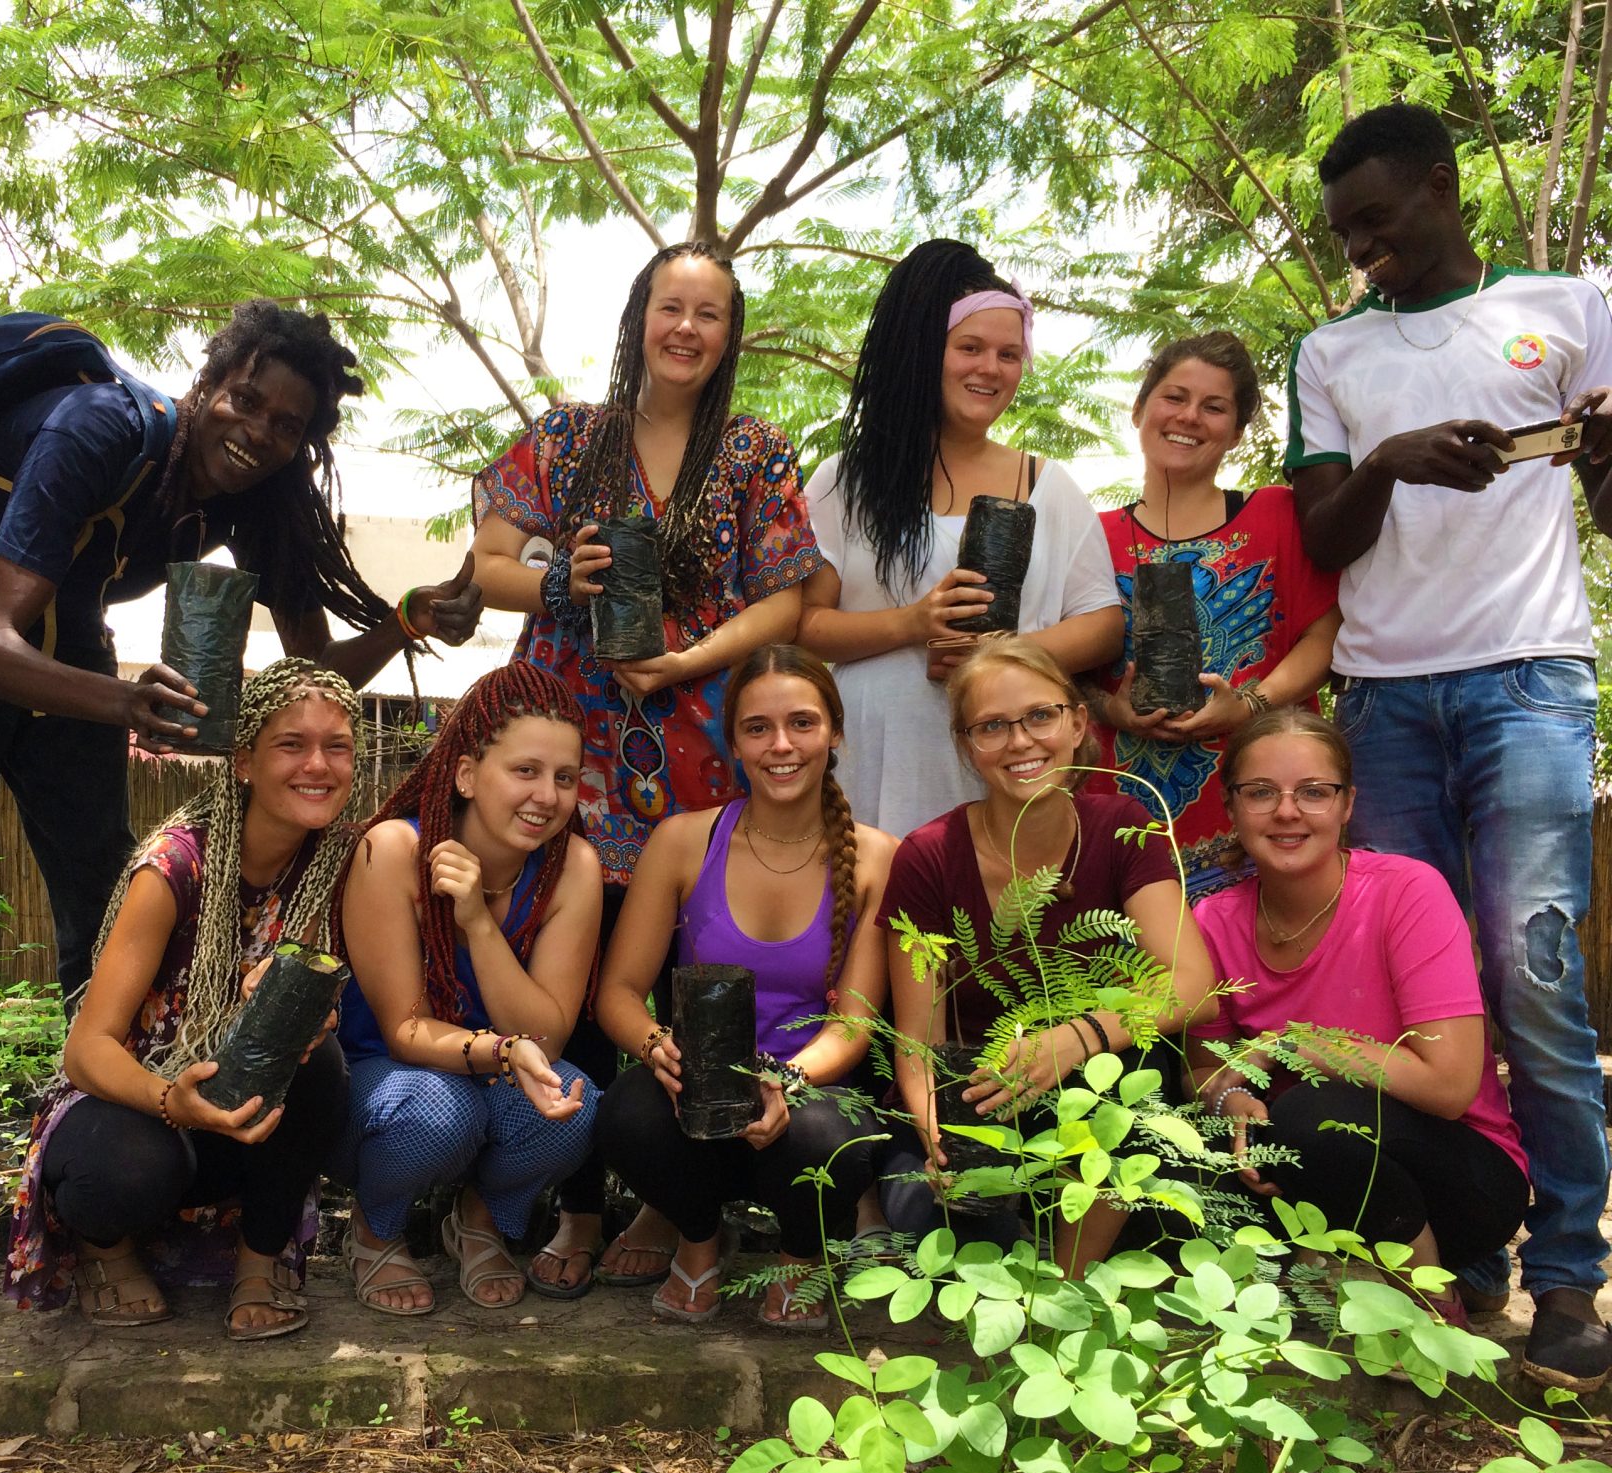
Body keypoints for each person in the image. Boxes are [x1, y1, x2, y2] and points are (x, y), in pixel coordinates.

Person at [0, 303, 484, 1337]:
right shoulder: (103, 429)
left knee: (97, 920)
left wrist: (405, 621)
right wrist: (123, 703)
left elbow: (305, 680)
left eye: (288, 425)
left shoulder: (256, 496)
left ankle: (129, 1185)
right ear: (207, 383)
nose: (258, 433)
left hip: (60, 650)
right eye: (245, 401)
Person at [1287, 101, 1612, 1390]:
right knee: (1419, 993)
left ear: (1439, 187)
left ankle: (1570, 1276)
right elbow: (1321, 536)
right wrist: (1395, 462)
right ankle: (1465, 1252)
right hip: (1383, 698)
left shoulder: (1570, 305)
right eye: (1343, 232)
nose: (1361, 248)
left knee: (1533, 972)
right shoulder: (1330, 350)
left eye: (1375, 220)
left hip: (1528, 680)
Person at [469, 242, 822, 1294]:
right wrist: (556, 583)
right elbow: (488, 567)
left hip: (699, 740)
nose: (687, 329)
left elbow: (787, 599)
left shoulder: (755, 454)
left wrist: (686, 658)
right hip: (568, 735)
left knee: (677, 974)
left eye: (709, 315)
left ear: (729, 336)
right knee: (567, 981)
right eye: (671, 307)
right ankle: (574, 1213)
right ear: (638, 317)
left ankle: (674, 1209)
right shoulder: (566, 438)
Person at [4, 658, 360, 1337]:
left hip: (233, 1113)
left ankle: (260, 1263)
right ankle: (104, 1250)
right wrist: (173, 1102)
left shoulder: (339, 861)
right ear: (244, 762)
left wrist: (301, 1016)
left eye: (336, 746)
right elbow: (87, 1051)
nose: (317, 764)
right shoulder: (173, 867)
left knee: (320, 1066)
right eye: (292, 744)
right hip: (130, 1109)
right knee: (132, 1168)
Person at [878, 636, 1213, 1276]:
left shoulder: (1122, 823)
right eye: (992, 727)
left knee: (1131, 1069)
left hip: (1093, 1101)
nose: (1021, 742)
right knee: (940, 1216)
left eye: (1040, 716)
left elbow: (1191, 981)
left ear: (1078, 722)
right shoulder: (927, 854)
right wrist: (940, 1137)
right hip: (976, 1101)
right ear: (967, 746)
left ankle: (1068, 1286)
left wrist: (1079, 1037)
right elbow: (918, 1048)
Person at [1186, 711, 1529, 1328]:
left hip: (1458, 1182)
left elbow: (1450, 1089)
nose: (1288, 811)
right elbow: (1206, 1066)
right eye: (1262, 792)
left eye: (1314, 792)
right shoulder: (1212, 920)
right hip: (1300, 1173)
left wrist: (1305, 1044)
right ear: (1231, 806)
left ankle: (1426, 1299)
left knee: (1310, 1112)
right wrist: (1231, 1098)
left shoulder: (1406, 892)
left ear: (1347, 806)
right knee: (1175, 1140)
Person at [594, 645, 896, 1328]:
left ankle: (799, 1256)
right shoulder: (682, 841)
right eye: (758, 728)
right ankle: (699, 1241)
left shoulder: (877, 857)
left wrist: (783, 1080)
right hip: (693, 1099)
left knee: (839, 1136)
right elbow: (616, 990)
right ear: (733, 742)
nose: (780, 745)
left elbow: (853, 1024)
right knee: (625, 1113)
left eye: (802, 723)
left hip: (803, 1098)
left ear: (835, 732)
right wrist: (656, 1048)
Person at [798, 238, 1121, 841]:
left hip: (1004, 752)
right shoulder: (845, 479)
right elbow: (805, 625)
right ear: (924, 355)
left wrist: (999, 659)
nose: (990, 369)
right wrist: (915, 623)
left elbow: (1102, 623)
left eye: (1008, 353)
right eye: (969, 348)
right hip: (874, 748)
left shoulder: (1047, 484)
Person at [329, 662, 603, 1313]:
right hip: (384, 1081)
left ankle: (477, 1217)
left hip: (486, 1070)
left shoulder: (572, 868)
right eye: (525, 771)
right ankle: (375, 1229)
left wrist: (479, 922)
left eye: (565, 778)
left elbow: (548, 1034)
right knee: (441, 1110)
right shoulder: (393, 851)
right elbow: (404, 1030)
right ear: (467, 774)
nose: (547, 795)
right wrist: (502, 1054)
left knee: (574, 1103)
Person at [1086, 333, 1339, 898]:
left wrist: (1248, 705)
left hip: (1265, 818)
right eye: (1174, 397)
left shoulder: (1277, 514)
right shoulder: (1091, 535)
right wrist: (1112, 709)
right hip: (1119, 821)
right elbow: (1057, 670)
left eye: (1214, 407)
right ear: (1140, 409)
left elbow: (1324, 638)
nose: (1190, 417)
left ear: (1237, 432)